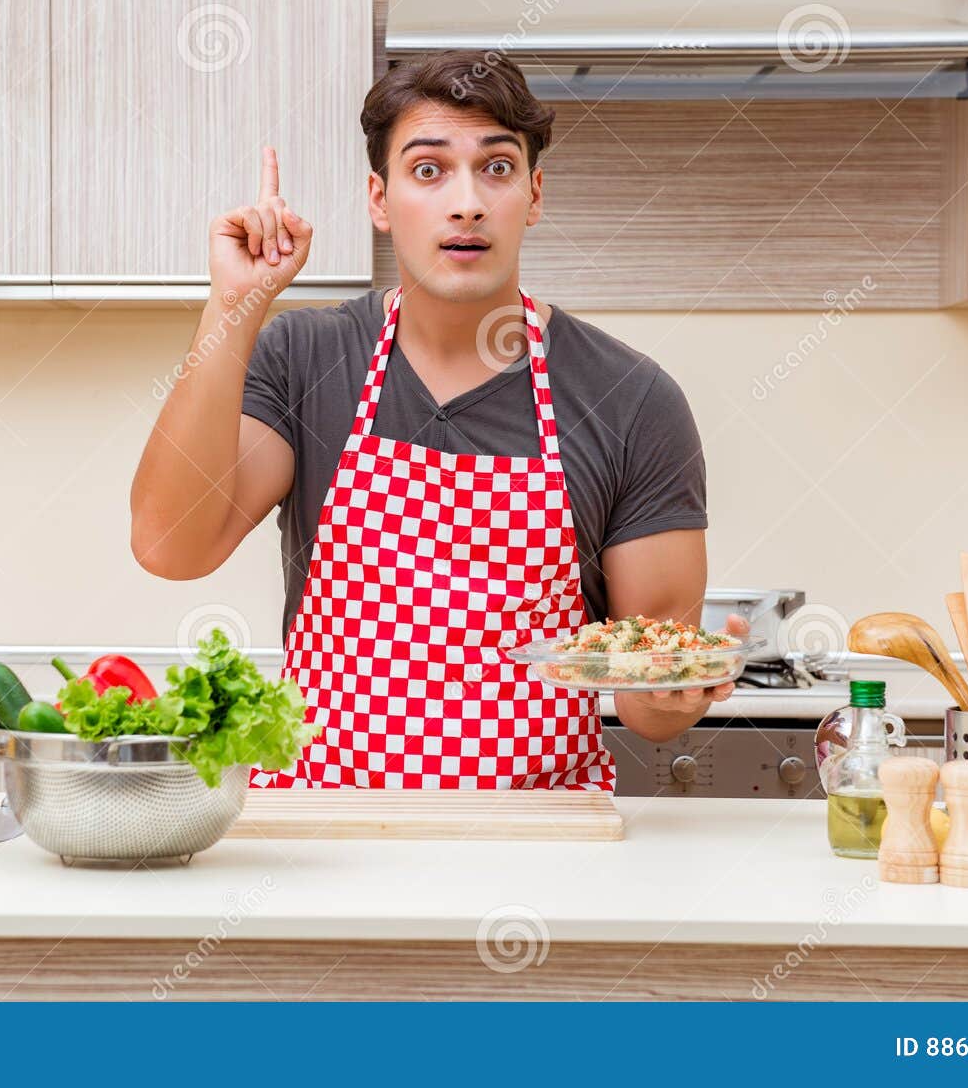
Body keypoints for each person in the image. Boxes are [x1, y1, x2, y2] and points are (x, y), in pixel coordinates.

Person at [131, 49, 746, 790]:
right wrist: (235, 306)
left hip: (538, 836)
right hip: (321, 830)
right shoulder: (306, 358)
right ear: (379, 199)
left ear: (534, 194)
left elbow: (647, 705)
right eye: (428, 170)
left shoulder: (631, 399)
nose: (467, 203)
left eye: (497, 168)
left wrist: (677, 692)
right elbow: (171, 546)